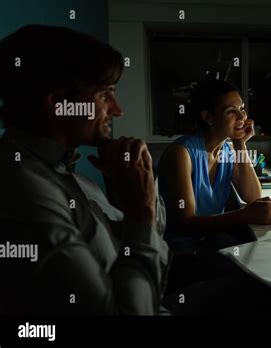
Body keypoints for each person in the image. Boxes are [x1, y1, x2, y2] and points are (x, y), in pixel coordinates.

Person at [0, 25, 170, 315]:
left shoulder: (70, 174)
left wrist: (136, 191)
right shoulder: (24, 189)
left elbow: (154, 233)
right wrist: (141, 212)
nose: (117, 110)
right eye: (105, 95)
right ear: (58, 104)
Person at [158, 79, 271, 251]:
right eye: (231, 111)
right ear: (208, 117)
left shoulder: (227, 151)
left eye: (242, 109)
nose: (242, 117)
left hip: (209, 240)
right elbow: (185, 224)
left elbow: (252, 195)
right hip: (182, 251)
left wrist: (240, 144)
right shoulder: (181, 153)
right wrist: (244, 215)